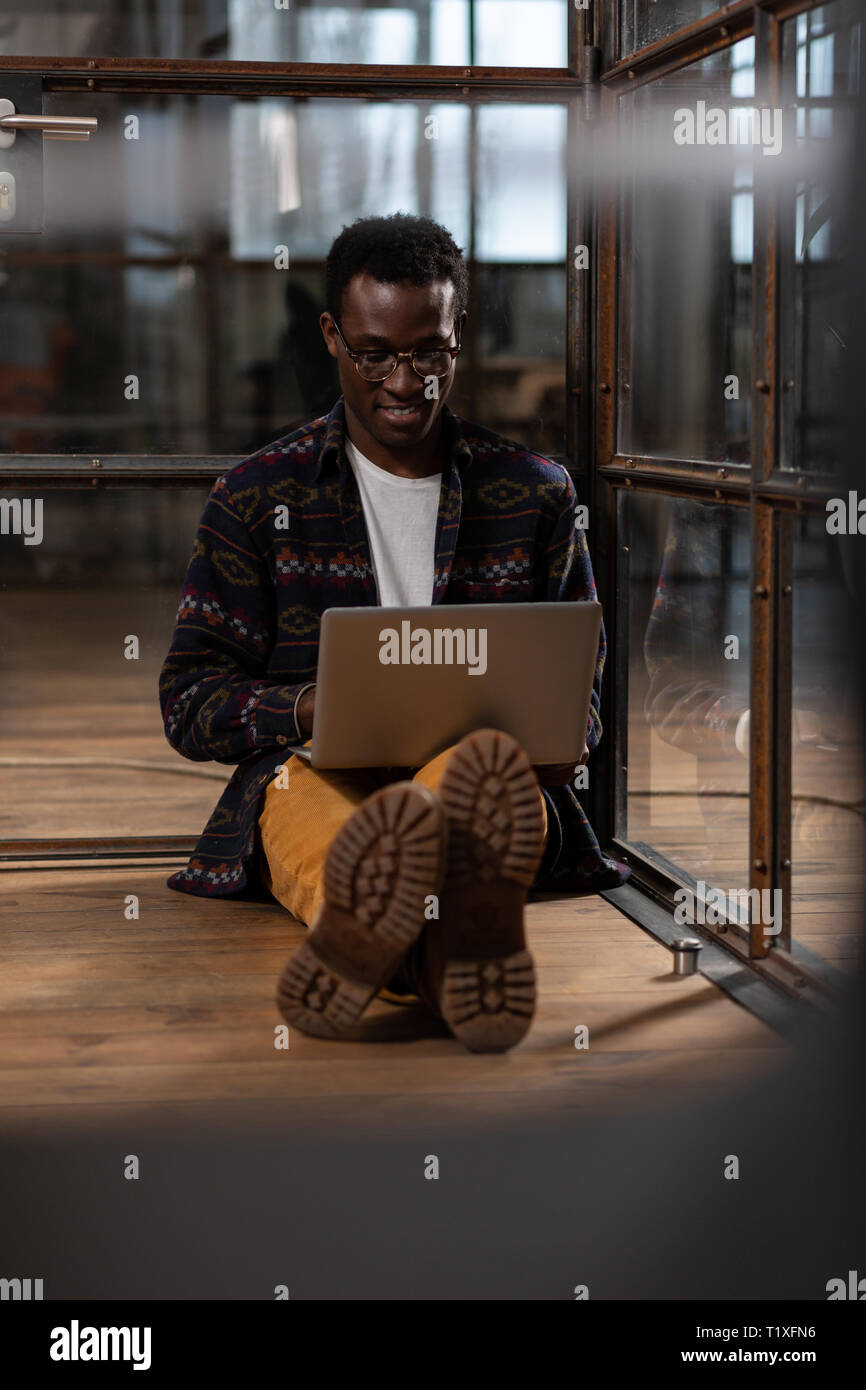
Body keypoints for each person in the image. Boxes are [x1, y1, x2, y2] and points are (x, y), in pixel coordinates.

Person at [159, 212, 629, 1054]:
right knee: (300, 801)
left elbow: (581, 708)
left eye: (429, 352)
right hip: (314, 772)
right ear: (333, 336)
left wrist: (546, 733)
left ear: (459, 337)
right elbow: (191, 702)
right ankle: (443, 942)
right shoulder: (255, 497)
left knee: (478, 771)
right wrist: (313, 707)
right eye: (375, 354)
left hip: (481, 771)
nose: (405, 382)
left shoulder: (536, 495)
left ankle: (378, 933)